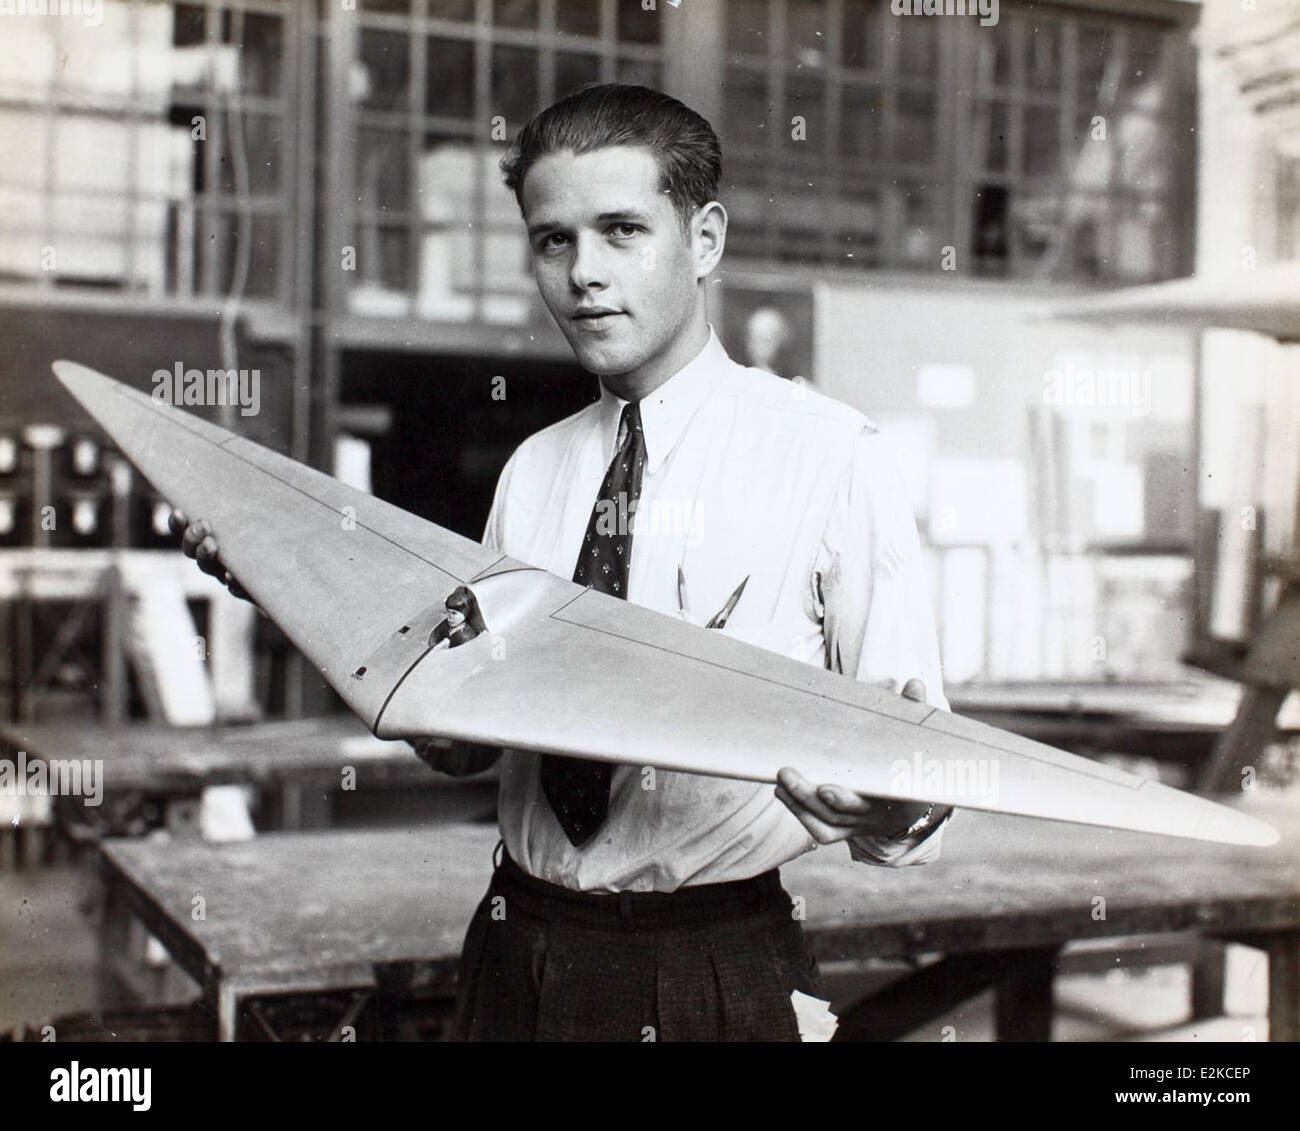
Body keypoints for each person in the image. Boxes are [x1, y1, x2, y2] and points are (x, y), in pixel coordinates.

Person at [174, 82, 954, 1042]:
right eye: (554, 239)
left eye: (622, 231)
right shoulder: (534, 470)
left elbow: (926, 768)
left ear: (704, 239)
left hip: (711, 962)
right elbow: (470, 740)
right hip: (520, 948)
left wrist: (886, 802)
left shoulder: (832, 456)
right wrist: (301, 589)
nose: (584, 273)